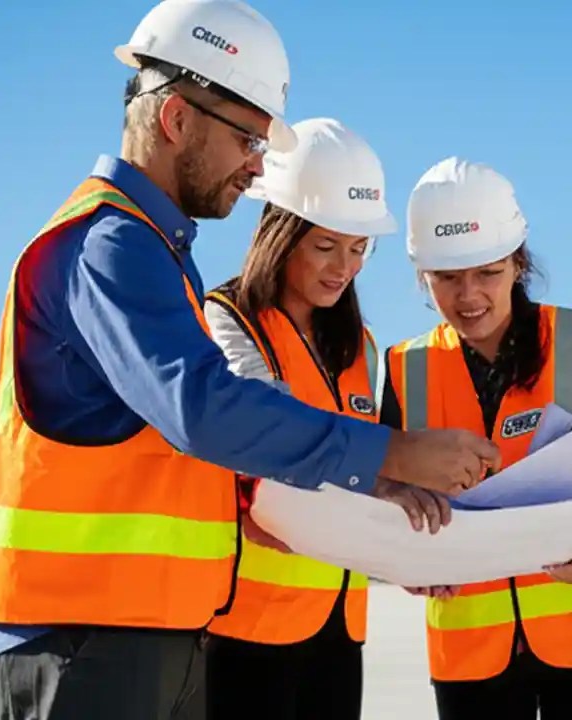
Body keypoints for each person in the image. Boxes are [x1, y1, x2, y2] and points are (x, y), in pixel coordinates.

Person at [0, 2, 498, 717]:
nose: (257, 164)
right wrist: (394, 453)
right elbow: (202, 408)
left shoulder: (156, 252)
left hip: (147, 634)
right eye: (246, 138)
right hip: (88, 639)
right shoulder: (112, 243)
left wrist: (386, 507)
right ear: (175, 120)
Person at [378, 157, 572, 720]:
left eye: (488, 272)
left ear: (517, 262)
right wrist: (410, 568)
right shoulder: (405, 368)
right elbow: (387, 498)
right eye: (447, 277)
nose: (468, 294)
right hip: (471, 653)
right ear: (421, 274)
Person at [197, 117, 433, 719]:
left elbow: (361, 474)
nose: (344, 267)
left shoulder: (360, 347)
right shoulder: (228, 321)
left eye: (359, 249)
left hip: (338, 629)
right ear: (279, 231)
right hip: (246, 629)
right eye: (326, 246)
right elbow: (255, 451)